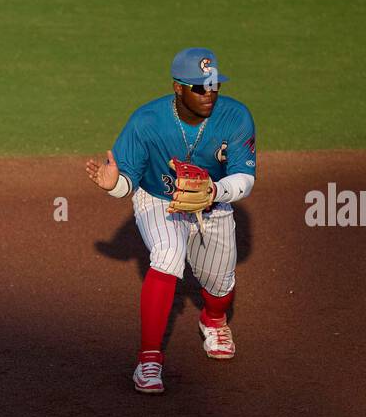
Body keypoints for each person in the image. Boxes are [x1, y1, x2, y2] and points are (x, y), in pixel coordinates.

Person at [86, 46, 257, 393]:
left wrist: (214, 193)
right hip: (158, 200)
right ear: (178, 87)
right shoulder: (147, 121)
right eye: (199, 87)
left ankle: (214, 320)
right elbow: (126, 182)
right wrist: (112, 185)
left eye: (214, 85)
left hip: (213, 204)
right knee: (167, 255)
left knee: (220, 282)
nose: (209, 93)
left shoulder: (235, 117)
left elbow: (245, 178)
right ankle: (149, 361)